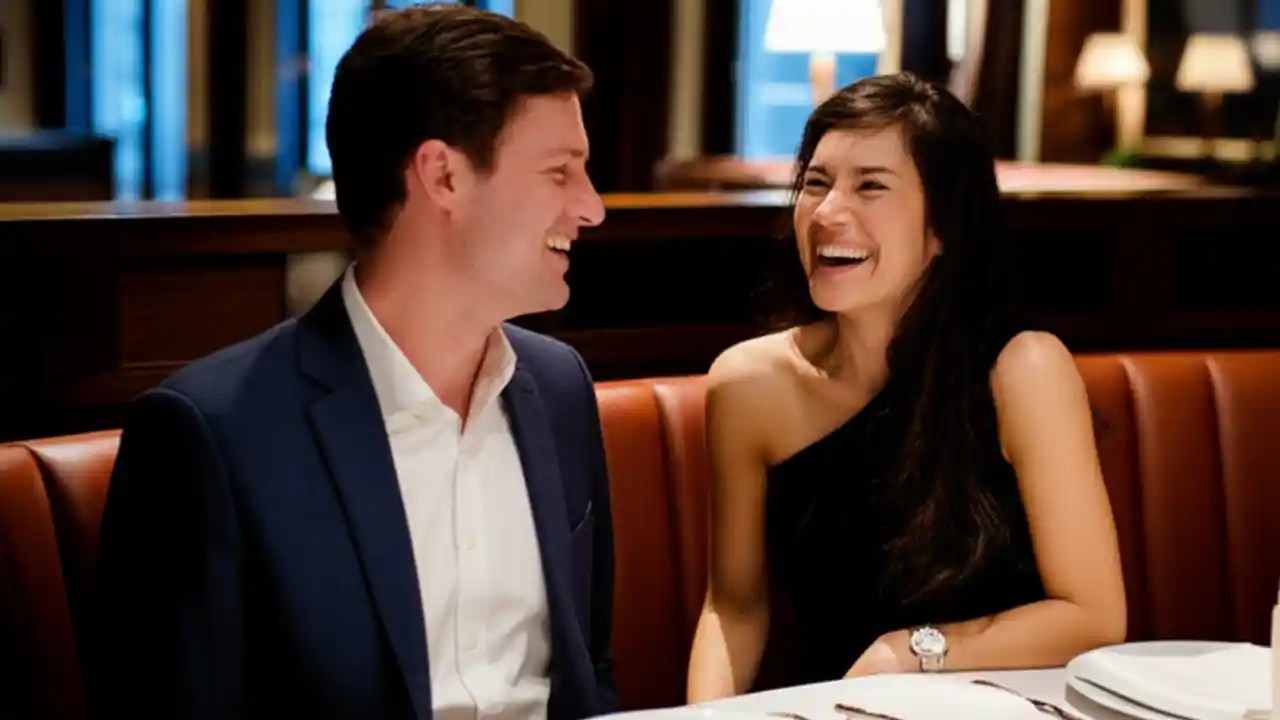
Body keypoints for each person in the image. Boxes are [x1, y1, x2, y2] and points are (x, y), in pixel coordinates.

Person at [91, 6, 615, 719]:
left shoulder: (558, 388)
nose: (592, 208)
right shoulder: (214, 433)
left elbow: (590, 673)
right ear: (443, 176)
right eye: (561, 173)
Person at [685, 73, 1126, 699]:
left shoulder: (1022, 370)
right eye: (816, 183)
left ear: (943, 224)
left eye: (871, 186)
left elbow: (1093, 614)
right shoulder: (749, 384)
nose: (829, 211)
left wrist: (913, 651)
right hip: (825, 706)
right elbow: (733, 609)